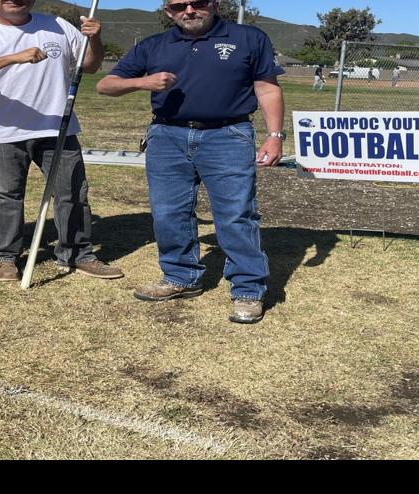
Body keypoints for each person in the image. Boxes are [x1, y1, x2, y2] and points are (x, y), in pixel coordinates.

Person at [96, 0, 284, 324]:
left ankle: (249, 289)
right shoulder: (154, 45)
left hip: (228, 135)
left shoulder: (249, 38)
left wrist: (275, 135)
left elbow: (267, 90)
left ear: (213, 4)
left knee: (236, 214)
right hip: (167, 137)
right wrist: (143, 82)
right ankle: (180, 277)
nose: (188, 10)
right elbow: (105, 85)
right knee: (169, 211)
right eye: (177, 6)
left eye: (195, 3)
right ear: (168, 11)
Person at [0, 0, 123, 283]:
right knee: (5, 195)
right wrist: (11, 58)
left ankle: (77, 253)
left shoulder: (58, 26)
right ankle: (4, 256)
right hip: (2, 131)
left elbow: (89, 66)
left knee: (72, 192)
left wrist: (95, 38)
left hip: (57, 128)